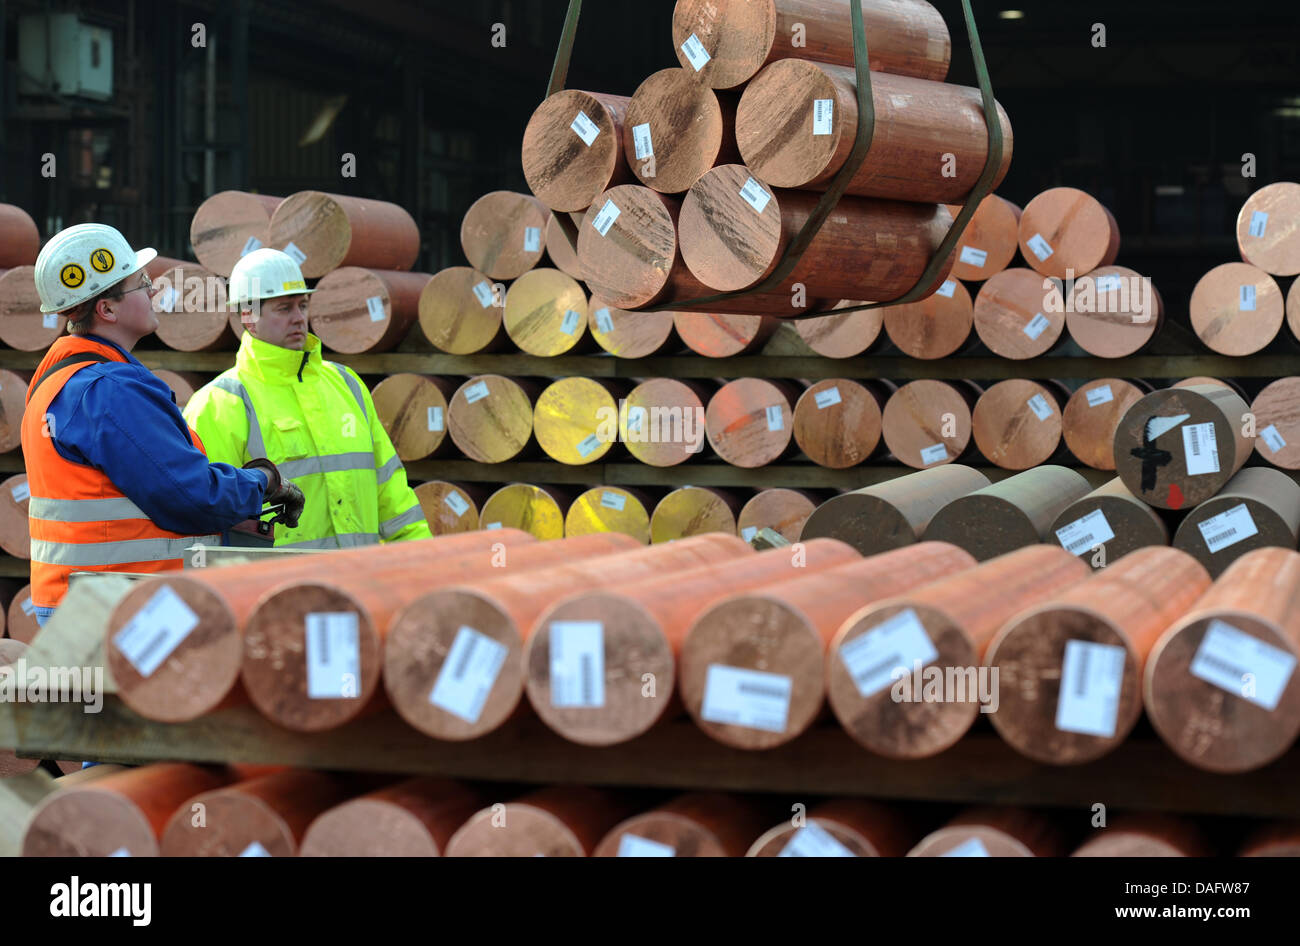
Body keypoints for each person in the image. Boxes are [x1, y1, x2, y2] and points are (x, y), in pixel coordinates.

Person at [22, 224, 304, 627]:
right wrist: (262, 481)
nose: (153, 290)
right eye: (142, 283)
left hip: (86, 601)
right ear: (108, 309)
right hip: (123, 606)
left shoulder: (60, 380)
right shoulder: (109, 390)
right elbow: (191, 497)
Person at [183, 248, 430, 549]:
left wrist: (421, 553)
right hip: (281, 590)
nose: (299, 318)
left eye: (302, 305)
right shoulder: (219, 403)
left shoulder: (346, 384)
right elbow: (206, 516)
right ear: (248, 315)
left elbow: (391, 490)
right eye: (284, 309)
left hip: (359, 581)